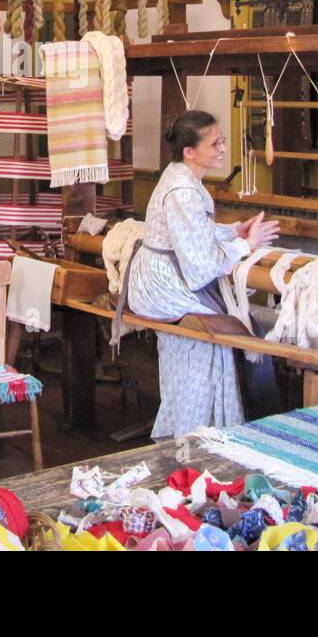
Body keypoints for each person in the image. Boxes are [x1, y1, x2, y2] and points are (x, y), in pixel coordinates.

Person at [118, 109, 282, 438]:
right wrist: (245, 246)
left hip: (158, 276)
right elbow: (200, 267)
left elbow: (195, 232)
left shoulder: (180, 177)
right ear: (189, 152)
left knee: (217, 331)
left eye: (222, 141)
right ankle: (197, 434)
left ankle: (195, 430)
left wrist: (235, 231)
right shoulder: (182, 191)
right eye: (215, 143)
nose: (222, 148)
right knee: (215, 336)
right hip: (160, 286)